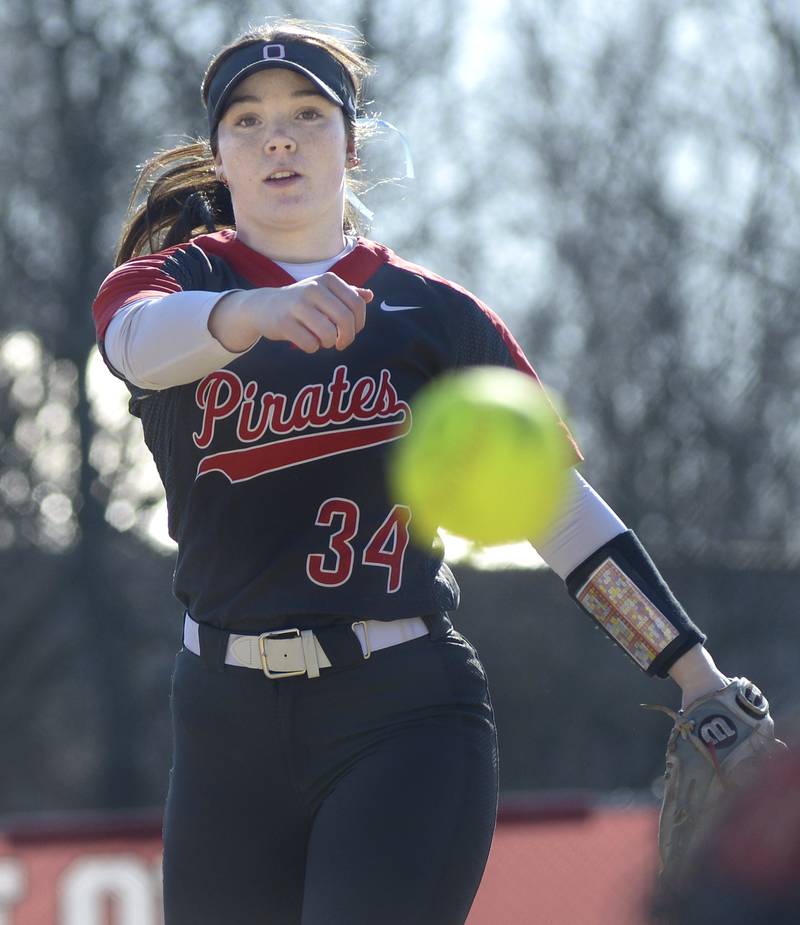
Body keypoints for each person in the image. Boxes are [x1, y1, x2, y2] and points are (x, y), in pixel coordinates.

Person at [90, 18, 779, 925]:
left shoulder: (437, 315)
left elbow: (558, 513)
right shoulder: (168, 287)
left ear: (352, 146)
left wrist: (695, 676)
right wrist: (258, 310)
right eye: (248, 120)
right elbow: (132, 347)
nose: (279, 137)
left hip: (402, 712)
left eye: (307, 113)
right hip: (223, 725)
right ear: (218, 153)